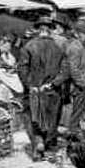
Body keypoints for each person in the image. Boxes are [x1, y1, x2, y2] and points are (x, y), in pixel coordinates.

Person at [17, 17, 68, 159]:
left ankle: (38, 143)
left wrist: (30, 85)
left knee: (34, 117)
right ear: (50, 30)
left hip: (35, 90)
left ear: (38, 29)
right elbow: (65, 71)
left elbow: (22, 69)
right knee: (52, 118)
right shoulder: (59, 47)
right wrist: (53, 83)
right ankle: (49, 147)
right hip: (52, 90)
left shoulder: (29, 46)